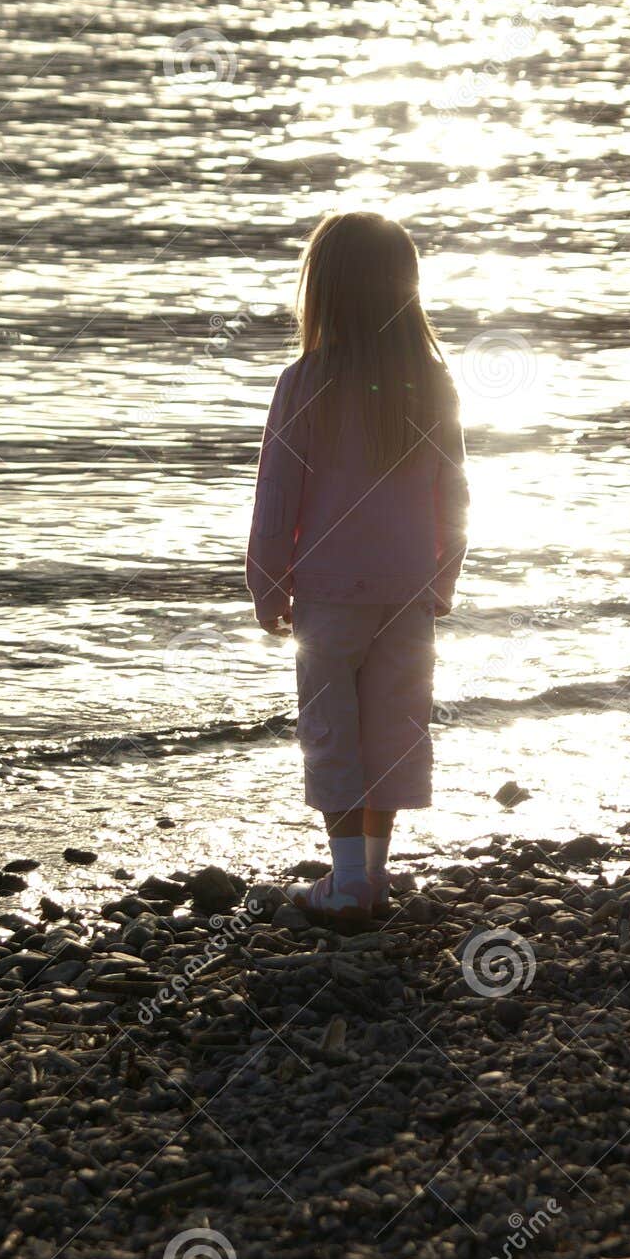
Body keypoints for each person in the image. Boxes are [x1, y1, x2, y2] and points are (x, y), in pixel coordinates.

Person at [246, 210, 469, 921]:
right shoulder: (432, 381)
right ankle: (375, 873)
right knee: (394, 725)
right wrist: (443, 578)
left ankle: (346, 883)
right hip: (408, 589)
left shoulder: (304, 380)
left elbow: (278, 493)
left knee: (332, 730)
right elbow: (453, 490)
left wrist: (267, 582)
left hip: (329, 592)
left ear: (323, 294)